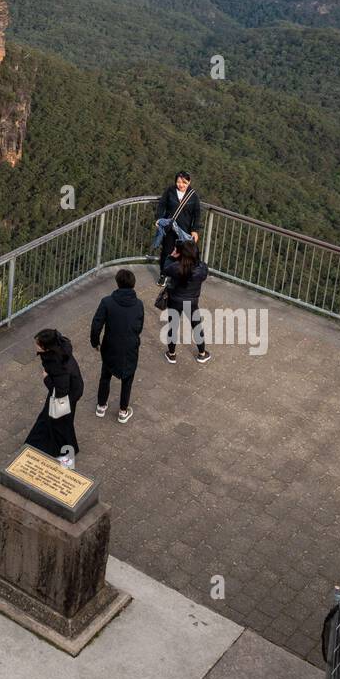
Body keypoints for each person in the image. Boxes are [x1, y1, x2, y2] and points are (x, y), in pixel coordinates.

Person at [90, 268, 144, 423]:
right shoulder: (139, 304)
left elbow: (96, 325)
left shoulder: (107, 302)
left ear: (117, 283)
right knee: (127, 379)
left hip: (110, 346)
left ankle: (101, 406)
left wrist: (95, 342)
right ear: (133, 284)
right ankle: (123, 411)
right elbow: (139, 327)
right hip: (130, 348)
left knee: (105, 376)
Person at [24, 328, 83, 466]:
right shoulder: (58, 350)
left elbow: (61, 390)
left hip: (66, 396)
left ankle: (67, 456)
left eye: (38, 344)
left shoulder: (58, 365)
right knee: (47, 417)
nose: (35, 345)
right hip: (67, 391)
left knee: (62, 424)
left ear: (46, 347)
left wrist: (46, 378)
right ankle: (34, 443)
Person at [162, 240, 211, 365]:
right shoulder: (202, 268)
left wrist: (171, 256)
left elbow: (165, 269)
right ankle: (202, 353)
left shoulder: (176, 267)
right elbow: (203, 272)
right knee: (196, 326)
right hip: (192, 301)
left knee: (173, 326)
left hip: (175, 300)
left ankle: (172, 354)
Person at [154, 171, 202, 269]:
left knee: (183, 253)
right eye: (178, 182)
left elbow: (196, 214)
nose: (181, 185)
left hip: (185, 229)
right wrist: (159, 219)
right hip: (170, 227)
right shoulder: (170, 191)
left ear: (189, 182)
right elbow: (162, 205)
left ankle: (177, 275)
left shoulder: (193, 196)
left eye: (184, 182)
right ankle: (163, 274)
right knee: (167, 251)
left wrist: (195, 230)